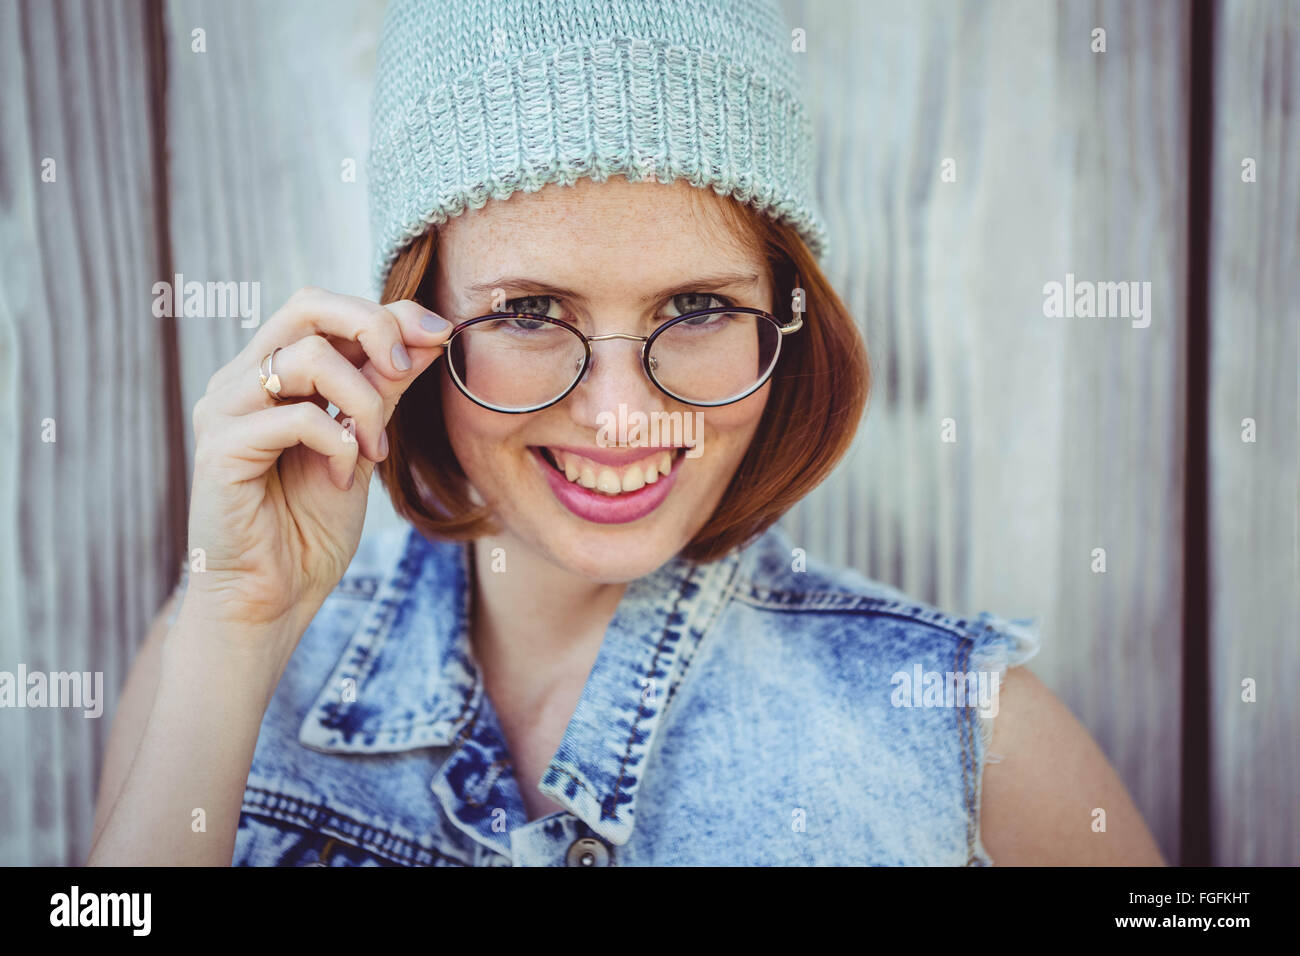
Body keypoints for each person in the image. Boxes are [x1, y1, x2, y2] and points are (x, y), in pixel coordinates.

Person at [87, 0, 1164, 866]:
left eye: (695, 308)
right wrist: (237, 619)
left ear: (786, 316)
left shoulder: (971, 742)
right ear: (411, 323)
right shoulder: (220, 653)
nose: (618, 414)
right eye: (527, 311)